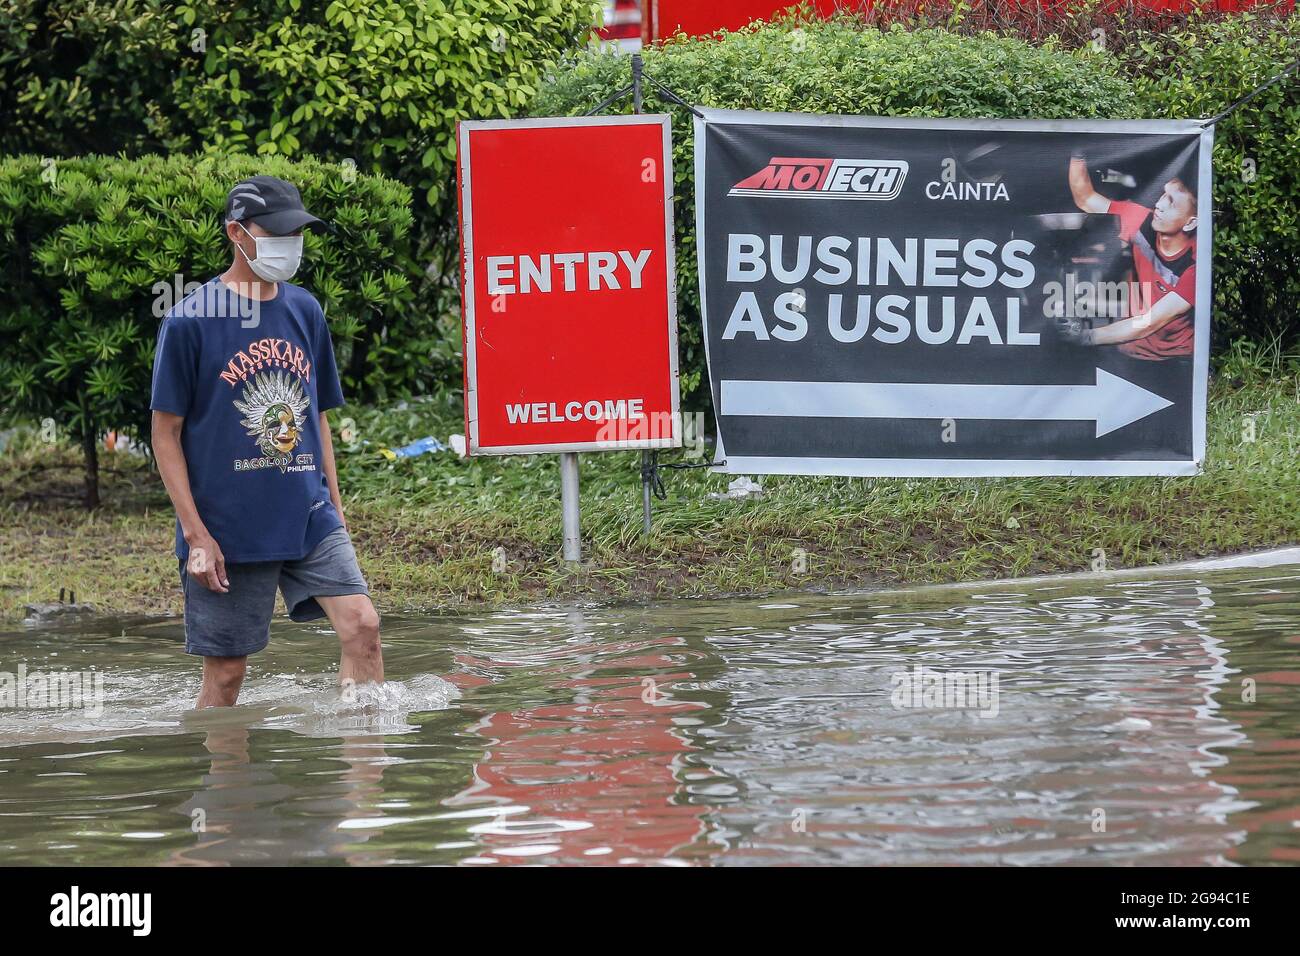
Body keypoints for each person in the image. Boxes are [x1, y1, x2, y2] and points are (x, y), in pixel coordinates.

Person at [151, 175, 384, 708]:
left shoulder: (305, 310)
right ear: (237, 233)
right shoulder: (190, 320)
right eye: (276, 233)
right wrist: (197, 536)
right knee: (228, 675)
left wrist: (335, 507)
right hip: (227, 528)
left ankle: (362, 779)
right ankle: (227, 790)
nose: (290, 245)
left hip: (309, 514)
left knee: (363, 626)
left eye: (296, 233)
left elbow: (316, 417)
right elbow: (165, 432)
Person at [1065, 154, 1198, 360]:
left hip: (1172, 362)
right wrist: (1078, 153)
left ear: (1190, 223)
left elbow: (1148, 322)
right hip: (1127, 351)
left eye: (1171, 202)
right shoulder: (1142, 219)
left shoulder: (1195, 265)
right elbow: (1086, 199)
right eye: (1163, 195)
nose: (1159, 205)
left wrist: (1085, 337)